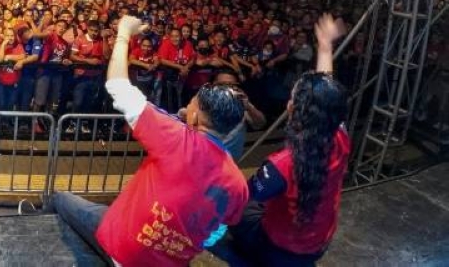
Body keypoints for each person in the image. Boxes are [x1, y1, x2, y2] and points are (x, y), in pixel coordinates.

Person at [53, 15, 249, 266]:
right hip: (171, 261)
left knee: (62, 199)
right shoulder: (238, 184)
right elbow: (217, 232)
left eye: (191, 104)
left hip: (123, 248)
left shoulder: (175, 137)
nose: (187, 105)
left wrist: (124, 32)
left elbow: (117, 85)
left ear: (197, 115)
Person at [213, 14, 350, 266]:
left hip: (278, 248)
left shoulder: (282, 164)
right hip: (317, 244)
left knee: (231, 209)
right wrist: (325, 47)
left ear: (293, 109)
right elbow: (325, 93)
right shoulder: (340, 136)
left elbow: (244, 195)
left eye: (293, 95)